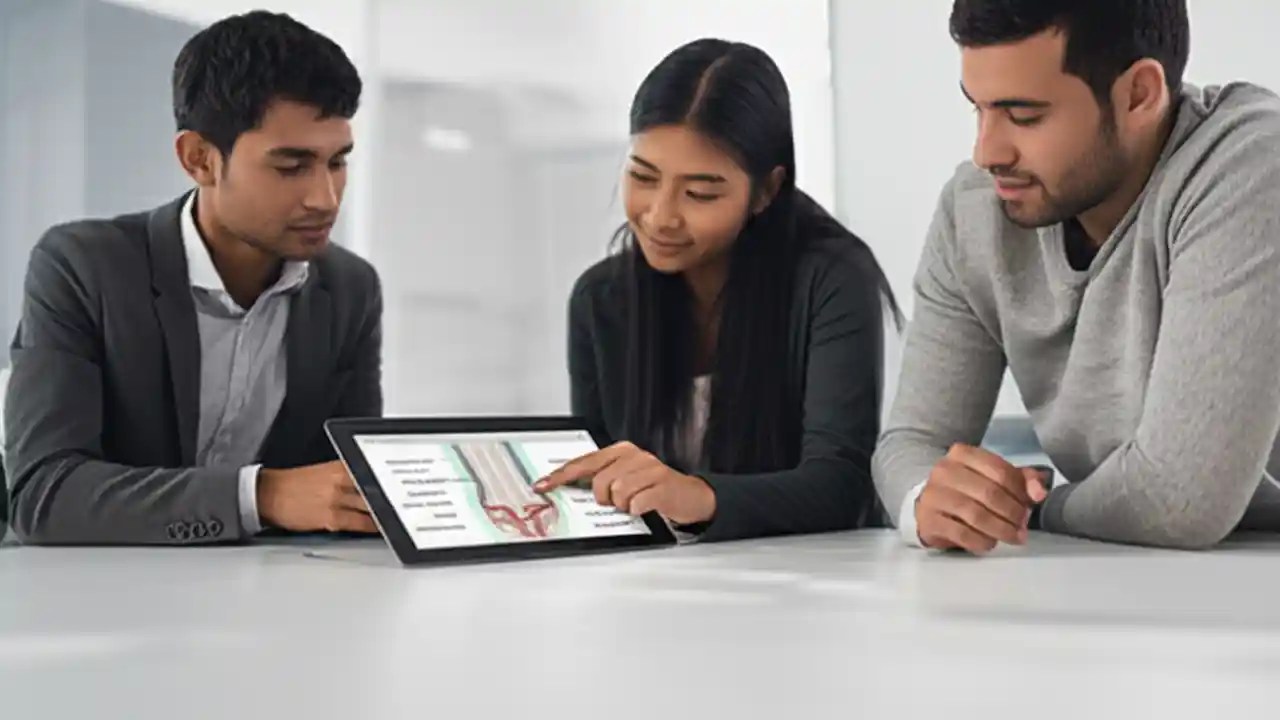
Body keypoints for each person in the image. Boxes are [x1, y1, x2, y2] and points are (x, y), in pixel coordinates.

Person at [874, 0, 1280, 554]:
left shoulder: (1250, 168)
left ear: (1139, 93)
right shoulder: (975, 211)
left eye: (1024, 116)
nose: (986, 151)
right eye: (979, 110)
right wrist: (930, 498)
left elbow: (1182, 501)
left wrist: (1035, 508)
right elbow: (911, 444)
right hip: (1142, 577)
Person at [3, 11, 383, 545]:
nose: (324, 198)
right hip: (88, 604)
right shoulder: (82, 266)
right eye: (291, 166)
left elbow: (346, 487)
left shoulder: (349, 289)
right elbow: (44, 494)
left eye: (337, 162)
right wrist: (264, 494)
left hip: (268, 600)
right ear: (199, 159)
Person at [535, 39, 900, 542]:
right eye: (643, 176)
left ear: (766, 191)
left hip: (810, 581)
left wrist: (694, 495)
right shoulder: (601, 300)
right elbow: (598, 474)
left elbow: (841, 485)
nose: (661, 216)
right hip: (655, 586)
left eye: (700, 193)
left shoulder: (832, 278)